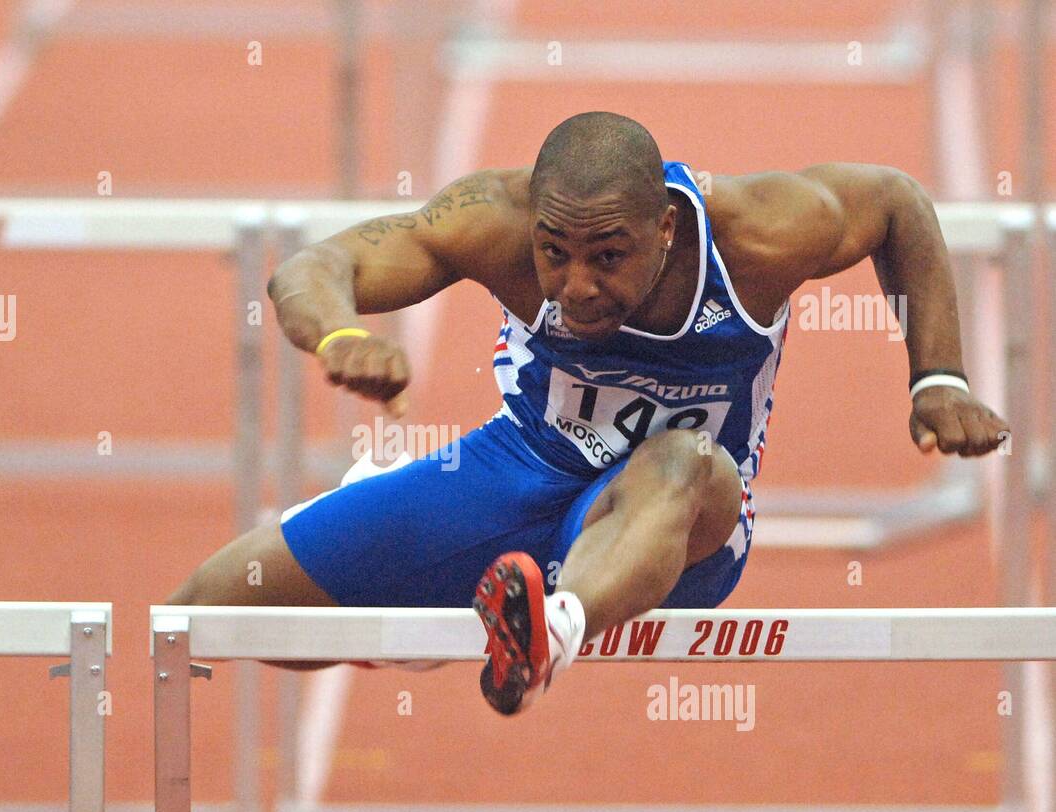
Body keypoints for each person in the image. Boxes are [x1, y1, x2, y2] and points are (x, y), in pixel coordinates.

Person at [168, 111, 1009, 715]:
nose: (575, 286)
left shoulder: (756, 236)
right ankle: (440, 629)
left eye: (609, 256)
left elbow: (897, 202)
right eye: (554, 254)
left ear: (669, 229)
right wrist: (340, 332)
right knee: (209, 609)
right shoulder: (493, 219)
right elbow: (317, 267)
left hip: (680, 526)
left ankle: (547, 635)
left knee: (684, 459)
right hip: (526, 469)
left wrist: (937, 376)